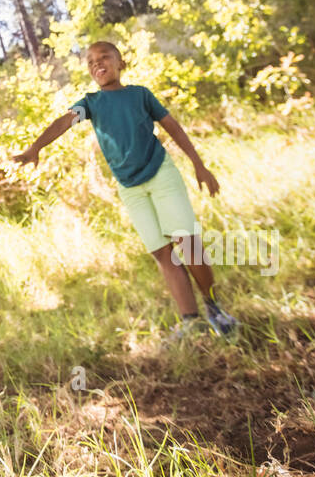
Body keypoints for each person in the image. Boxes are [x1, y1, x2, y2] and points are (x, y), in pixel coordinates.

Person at [13, 41, 238, 340]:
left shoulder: (140, 94)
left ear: (121, 63)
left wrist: (199, 164)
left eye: (105, 56)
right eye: (91, 61)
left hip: (160, 174)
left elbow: (173, 127)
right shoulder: (90, 103)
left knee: (188, 243)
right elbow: (64, 121)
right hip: (130, 187)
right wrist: (35, 148)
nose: (97, 63)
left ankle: (215, 308)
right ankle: (190, 320)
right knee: (162, 253)